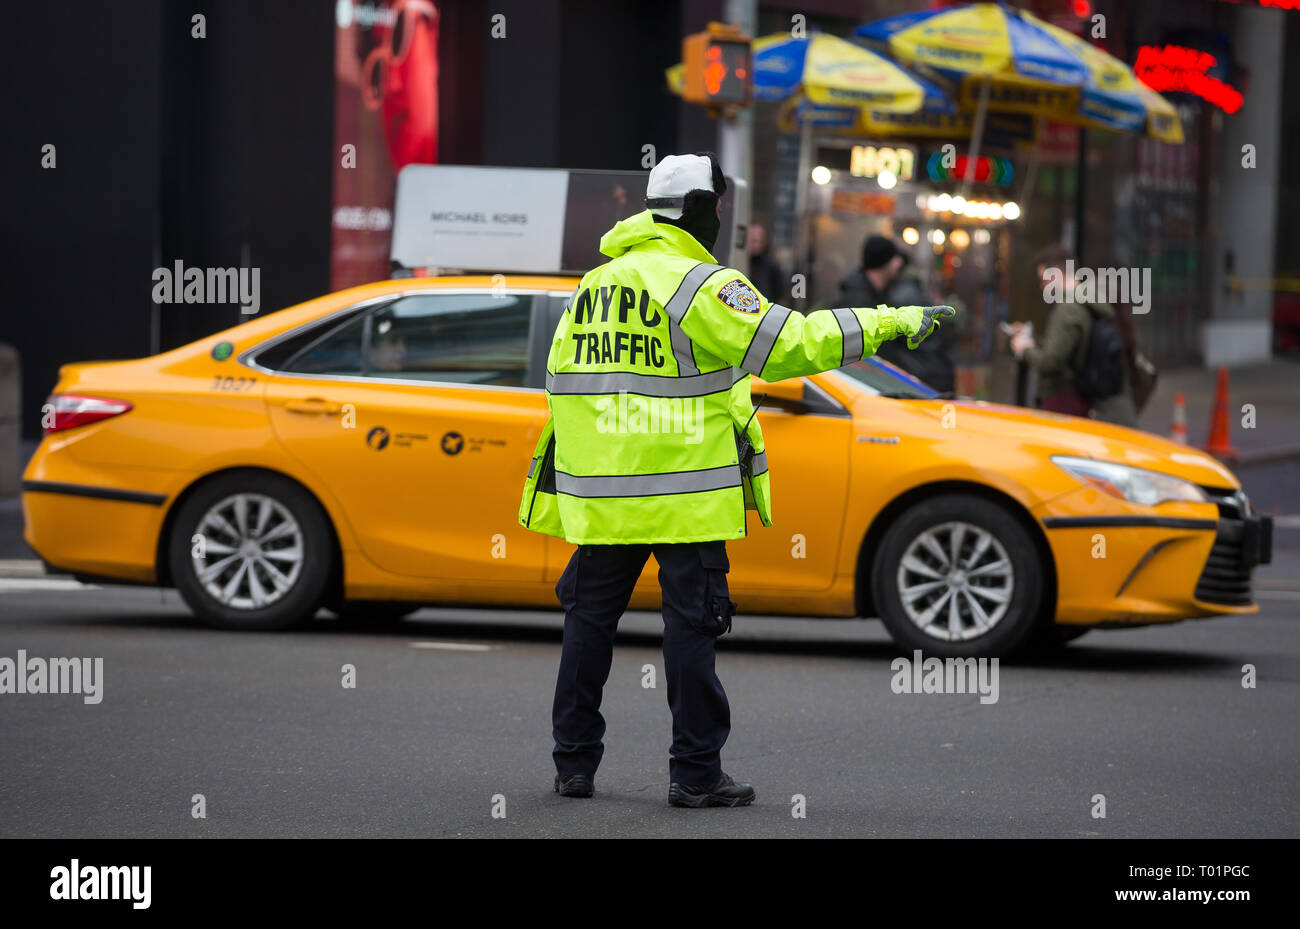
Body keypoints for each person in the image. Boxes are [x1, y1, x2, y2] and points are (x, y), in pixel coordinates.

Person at [518, 152, 953, 808]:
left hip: (607, 492)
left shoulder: (597, 284)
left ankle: (573, 763)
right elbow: (788, 344)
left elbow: (563, 384)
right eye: (716, 206)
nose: (720, 218)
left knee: (589, 621)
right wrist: (891, 323)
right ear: (698, 209)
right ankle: (694, 772)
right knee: (691, 628)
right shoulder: (699, 283)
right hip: (685, 495)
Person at [1008, 243, 1137, 426]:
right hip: (1091, 399)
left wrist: (1025, 348)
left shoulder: (1067, 309)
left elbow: (1051, 361)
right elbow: (1068, 346)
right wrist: (1034, 340)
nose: (1042, 286)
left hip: (1065, 399)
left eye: (1044, 280)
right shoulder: (1088, 300)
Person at [838, 235, 954, 393]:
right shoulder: (860, 301)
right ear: (885, 262)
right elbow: (876, 355)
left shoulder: (874, 294)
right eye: (894, 259)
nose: (899, 263)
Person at [746, 223, 785, 302]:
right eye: (753, 241)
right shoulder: (743, 261)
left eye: (759, 241)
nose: (756, 245)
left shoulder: (771, 265)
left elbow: (778, 291)